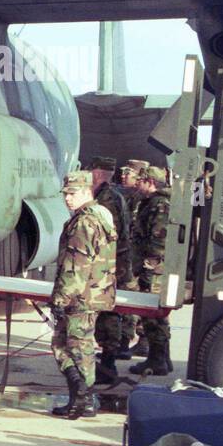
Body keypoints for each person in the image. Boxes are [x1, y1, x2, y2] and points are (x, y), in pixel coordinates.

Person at [50, 170, 118, 419]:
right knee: (82, 346)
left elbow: (76, 266)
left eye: (73, 193)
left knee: (66, 346)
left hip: (80, 296)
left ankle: (81, 399)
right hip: (95, 293)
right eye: (65, 194)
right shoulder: (101, 216)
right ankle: (83, 400)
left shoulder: (83, 223)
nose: (67, 199)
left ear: (87, 191)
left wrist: (60, 299)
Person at [88, 156, 132, 385]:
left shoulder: (107, 200)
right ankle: (108, 356)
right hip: (114, 261)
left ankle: (108, 360)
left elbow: (105, 236)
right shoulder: (114, 196)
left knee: (108, 311)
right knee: (108, 309)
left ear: (97, 173)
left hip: (110, 262)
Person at [129, 164, 174, 376]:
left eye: (142, 181)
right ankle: (163, 358)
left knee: (153, 314)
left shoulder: (160, 204)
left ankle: (157, 360)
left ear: (151, 182)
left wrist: (149, 265)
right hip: (152, 266)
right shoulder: (152, 202)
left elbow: (159, 238)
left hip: (154, 268)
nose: (138, 184)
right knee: (158, 314)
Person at [120, 158, 150, 359]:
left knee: (132, 300)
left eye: (127, 173)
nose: (123, 176)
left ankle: (126, 341)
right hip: (133, 257)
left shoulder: (142, 200)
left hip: (139, 260)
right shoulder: (132, 197)